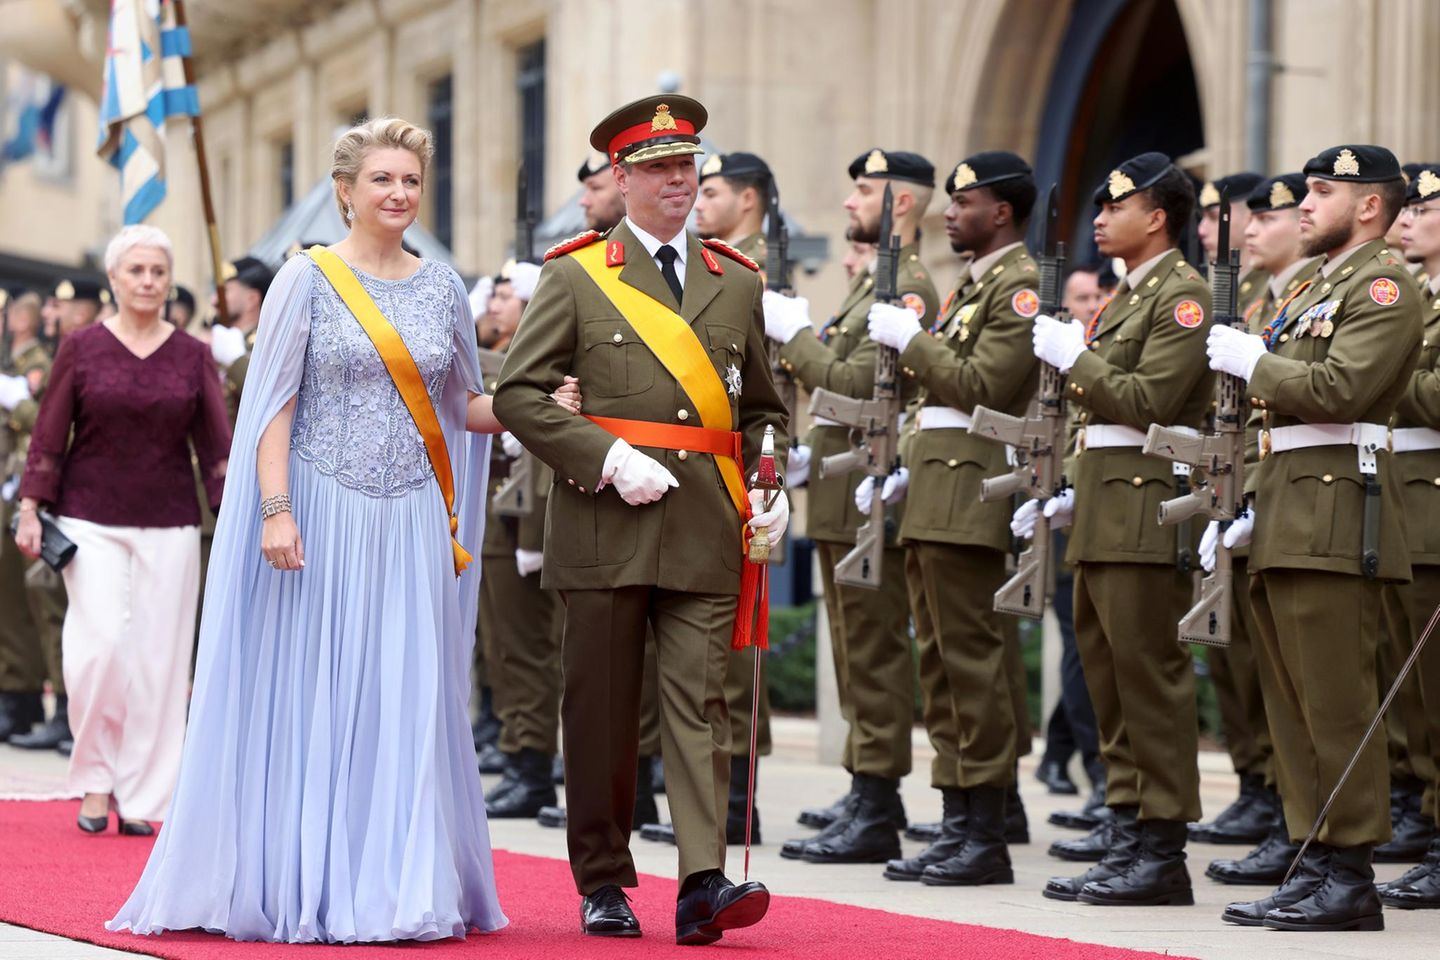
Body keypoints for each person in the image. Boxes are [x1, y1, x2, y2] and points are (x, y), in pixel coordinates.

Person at [104, 117, 576, 943]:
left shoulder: (441, 288)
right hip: (320, 512)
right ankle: (312, 884)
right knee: (318, 694)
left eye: (411, 182)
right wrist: (275, 510)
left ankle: (401, 890)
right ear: (346, 191)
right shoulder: (306, 280)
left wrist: (532, 411)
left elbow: (461, 404)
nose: (399, 194)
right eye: (384, 180)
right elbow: (273, 404)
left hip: (413, 523)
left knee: (407, 693)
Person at [494, 94, 786, 944]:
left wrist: (768, 477)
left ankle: (702, 881)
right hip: (603, 521)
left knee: (702, 702)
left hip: (705, 522)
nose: (676, 182)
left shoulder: (736, 280)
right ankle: (605, 880)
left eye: (686, 168)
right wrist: (604, 457)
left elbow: (764, 405)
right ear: (620, 179)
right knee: (603, 712)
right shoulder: (577, 274)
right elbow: (518, 393)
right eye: (657, 169)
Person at [1209, 144, 1418, 932]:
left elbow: (1342, 388)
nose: (1303, 202)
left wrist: (1256, 363)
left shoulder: (1385, 284)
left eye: (1323, 191)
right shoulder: (1316, 285)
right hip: (1291, 499)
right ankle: (1316, 854)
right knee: (1292, 704)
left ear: (1370, 205)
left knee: (1335, 702)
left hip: (1337, 505)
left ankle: (1351, 873)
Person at [1018, 152, 1212, 906]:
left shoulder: (1183, 296)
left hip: (1142, 506)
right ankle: (1128, 830)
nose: (1099, 219)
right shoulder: (1130, 295)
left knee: (1147, 683)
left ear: (1157, 216)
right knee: (1108, 682)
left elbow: (1150, 398)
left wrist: (1077, 359)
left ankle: (1161, 851)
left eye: (1115, 206)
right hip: (1103, 503)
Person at [12, 226, 231, 834]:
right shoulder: (81, 347)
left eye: (158, 271)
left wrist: (240, 515)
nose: (148, 281)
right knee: (101, 650)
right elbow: (50, 433)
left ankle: (143, 798)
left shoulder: (193, 354)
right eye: (135, 270)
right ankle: (94, 779)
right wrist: (32, 505)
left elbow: (216, 447)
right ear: (113, 279)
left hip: (170, 519)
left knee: (160, 664)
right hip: (89, 516)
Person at [865, 151, 1039, 886]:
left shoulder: (1020, 284)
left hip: (972, 492)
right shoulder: (976, 285)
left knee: (971, 664)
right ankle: (960, 815)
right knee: (940, 664)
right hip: (939, 490)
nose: (949, 213)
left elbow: (983, 385)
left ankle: (985, 831)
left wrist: (914, 342)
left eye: (966, 203)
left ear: (1001, 213)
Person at [765, 148, 938, 864]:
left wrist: (793, 334)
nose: (847, 202)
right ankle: (865, 792)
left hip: (867, 492)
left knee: (871, 651)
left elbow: (855, 382)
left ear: (900, 201)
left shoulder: (909, 285)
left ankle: (878, 801)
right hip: (839, 488)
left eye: (863, 190)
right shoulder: (874, 285)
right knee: (850, 649)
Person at [1201, 172, 1320, 887]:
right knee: (1261, 676)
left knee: (1327, 689)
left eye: (1265, 217)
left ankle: (1364, 827)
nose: (1249, 228)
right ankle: (1277, 806)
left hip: (1327, 502)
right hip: (1263, 497)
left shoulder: (1373, 294)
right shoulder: (1273, 303)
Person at [476, 260, 566, 820]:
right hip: (495, 523)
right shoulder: (506, 358)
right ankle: (518, 758)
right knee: (502, 652)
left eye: (507, 295)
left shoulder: (544, 365)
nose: (496, 303)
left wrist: (533, 534)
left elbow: (541, 451)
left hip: (522, 525)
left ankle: (532, 767)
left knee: (526, 653)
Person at [1379, 161, 1440, 909]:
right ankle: (1424, 824)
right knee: (1413, 695)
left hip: (1432, 509)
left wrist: (1376, 377)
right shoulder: (1419, 299)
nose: (1410, 216)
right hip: (1402, 505)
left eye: (1427, 206)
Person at [0, 291, 66, 750]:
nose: (48, 316)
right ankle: (17, 696)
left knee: (44, 606)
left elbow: (42, 422)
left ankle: (48, 704)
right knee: (16, 603)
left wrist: (17, 403)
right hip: (16, 488)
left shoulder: (40, 360)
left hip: (43, 493)